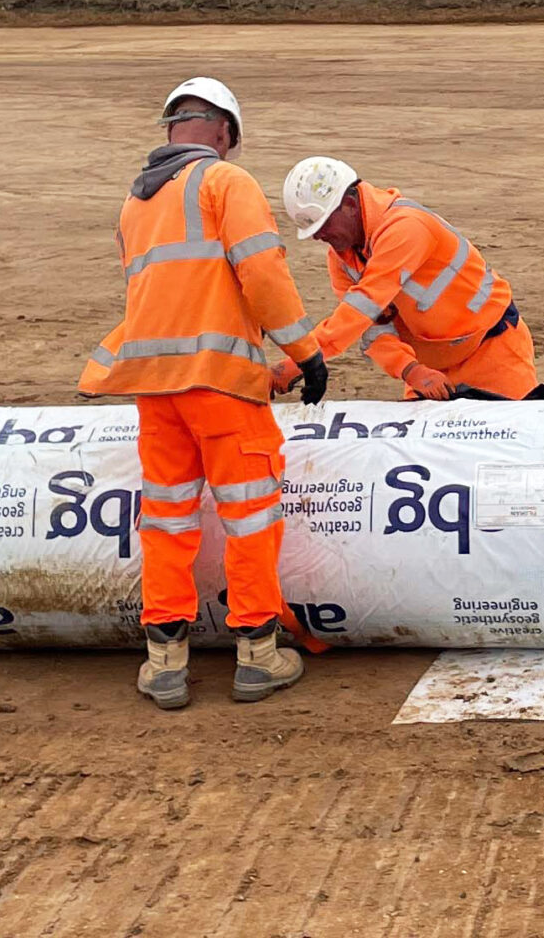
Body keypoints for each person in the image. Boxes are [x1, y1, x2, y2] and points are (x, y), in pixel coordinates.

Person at [80, 77, 328, 711]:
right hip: (218, 385)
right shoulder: (224, 183)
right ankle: (257, 654)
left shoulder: (135, 204)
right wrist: (303, 351)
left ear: (171, 128)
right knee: (250, 516)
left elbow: (151, 294)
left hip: (153, 391)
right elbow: (262, 272)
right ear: (222, 132)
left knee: (166, 520)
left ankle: (164, 662)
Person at [274, 156, 538, 401]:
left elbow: (360, 309)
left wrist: (300, 359)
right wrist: (411, 370)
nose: (318, 237)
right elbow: (371, 329)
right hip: (430, 372)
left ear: (351, 205)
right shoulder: (342, 261)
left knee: (513, 447)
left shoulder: (406, 227)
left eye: (323, 225)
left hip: (492, 351)